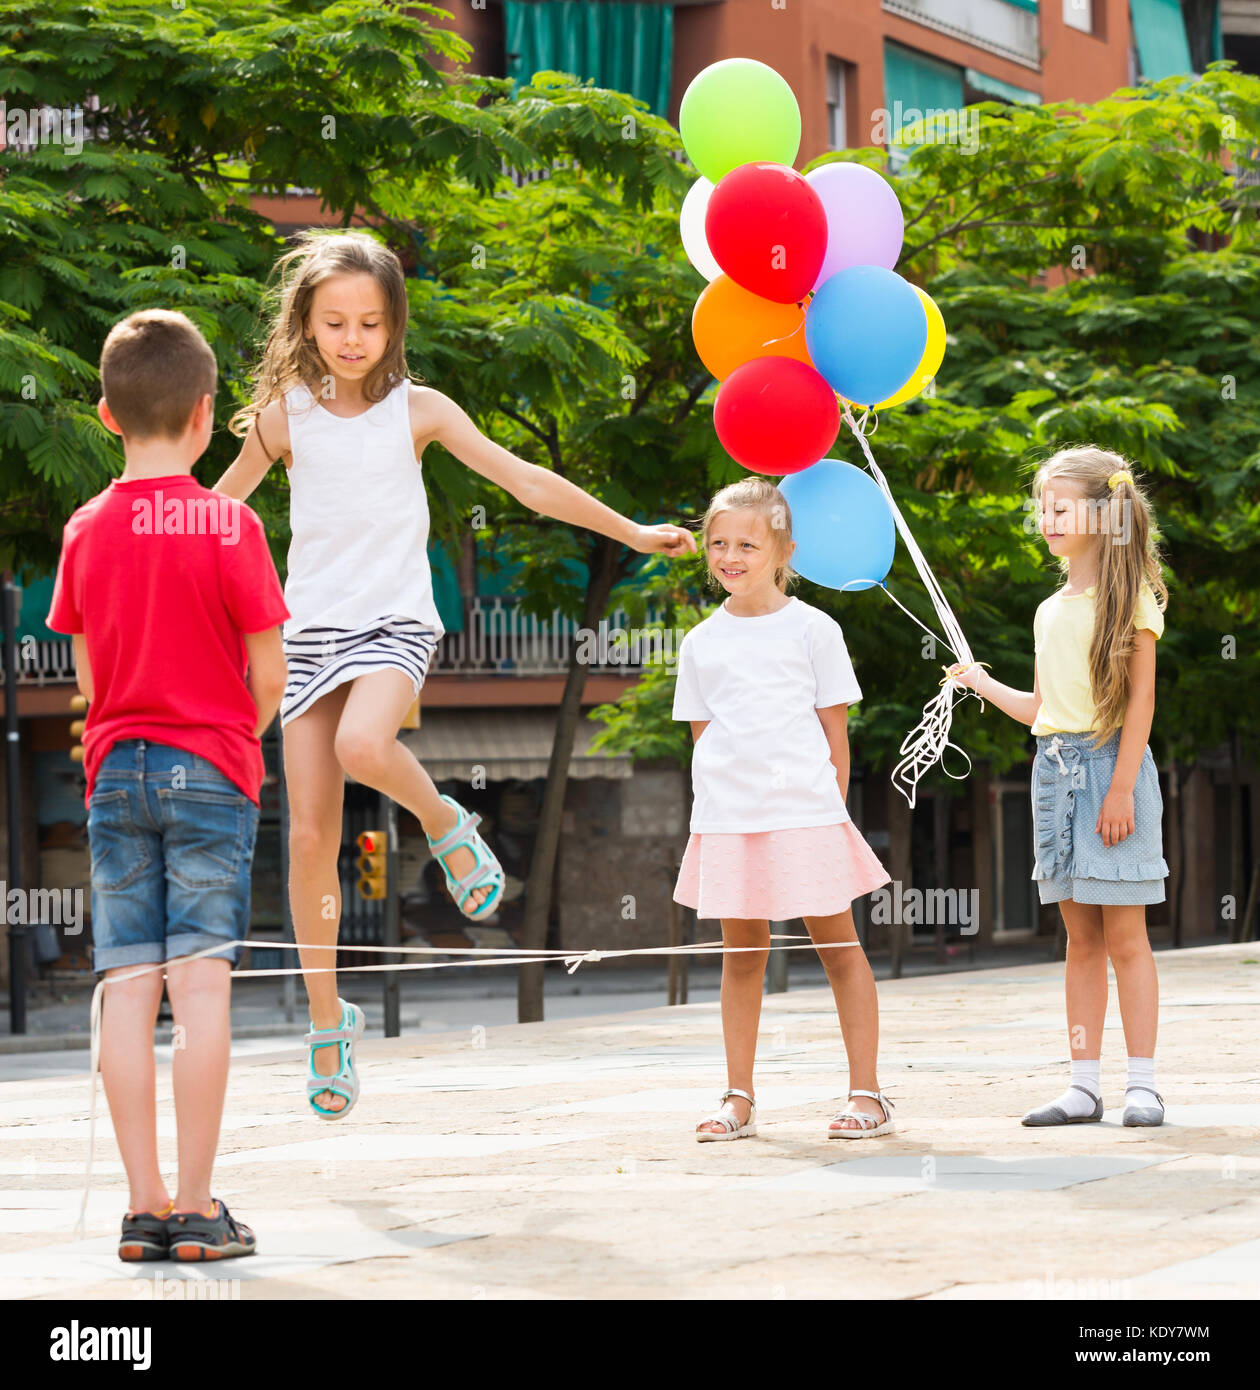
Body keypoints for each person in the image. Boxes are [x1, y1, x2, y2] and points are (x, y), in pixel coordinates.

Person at [215, 231, 696, 1118]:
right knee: (310, 841)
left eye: (369, 321)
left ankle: (446, 820)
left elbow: (525, 482)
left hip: (396, 622)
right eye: (334, 323)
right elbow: (220, 513)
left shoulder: (420, 410)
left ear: (394, 324)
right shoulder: (285, 418)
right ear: (307, 325)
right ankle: (329, 1020)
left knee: (368, 743)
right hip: (309, 634)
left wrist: (629, 533)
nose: (352, 338)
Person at [48, 309, 290, 1259]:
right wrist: (230, 741)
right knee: (200, 993)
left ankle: (142, 1207)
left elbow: (89, 686)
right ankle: (197, 1208)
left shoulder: (83, 530)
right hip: (211, 771)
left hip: (115, 773)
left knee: (125, 987)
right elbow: (268, 678)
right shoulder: (230, 525)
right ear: (205, 414)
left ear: (108, 416)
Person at [948, 446, 1169, 1127]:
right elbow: (1042, 708)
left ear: (1104, 516)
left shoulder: (1133, 597)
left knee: (1126, 937)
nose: (1046, 519)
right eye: (1041, 508)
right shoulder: (1048, 609)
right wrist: (980, 684)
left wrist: (1122, 788)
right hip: (1054, 771)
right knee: (1079, 941)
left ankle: (1143, 1085)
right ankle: (1082, 1086)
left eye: (1060, 507)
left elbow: (1140, 704)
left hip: (1112, 769)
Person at [671, 477, 893, 1142]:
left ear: (784, 550)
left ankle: (868, 1094)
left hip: (806, 814)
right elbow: (703, 743)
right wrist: (716, 816)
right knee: (741, 957)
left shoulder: (815, 630)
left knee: (839, 948)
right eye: (718, 544)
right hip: (730, 821)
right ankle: (738, 1098)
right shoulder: (699, 642)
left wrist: (831, 814)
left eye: (747, 543)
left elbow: (836, 738)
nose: (730, 556)